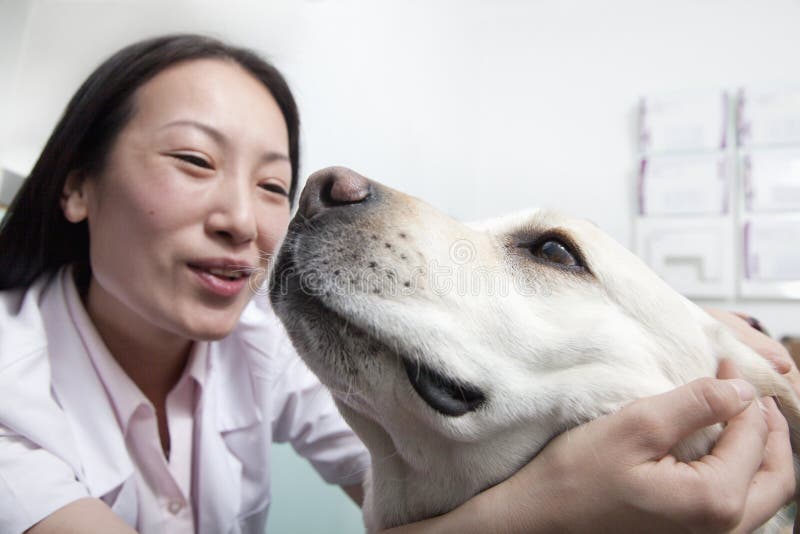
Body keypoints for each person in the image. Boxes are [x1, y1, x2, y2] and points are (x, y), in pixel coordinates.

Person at [0, 34, 794, 534]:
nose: (247, 221)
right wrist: (542, 509)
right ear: (76, 186)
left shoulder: (257, 347)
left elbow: (422, 469)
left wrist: (702, 337)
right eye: (195, 162)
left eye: (275, 186)